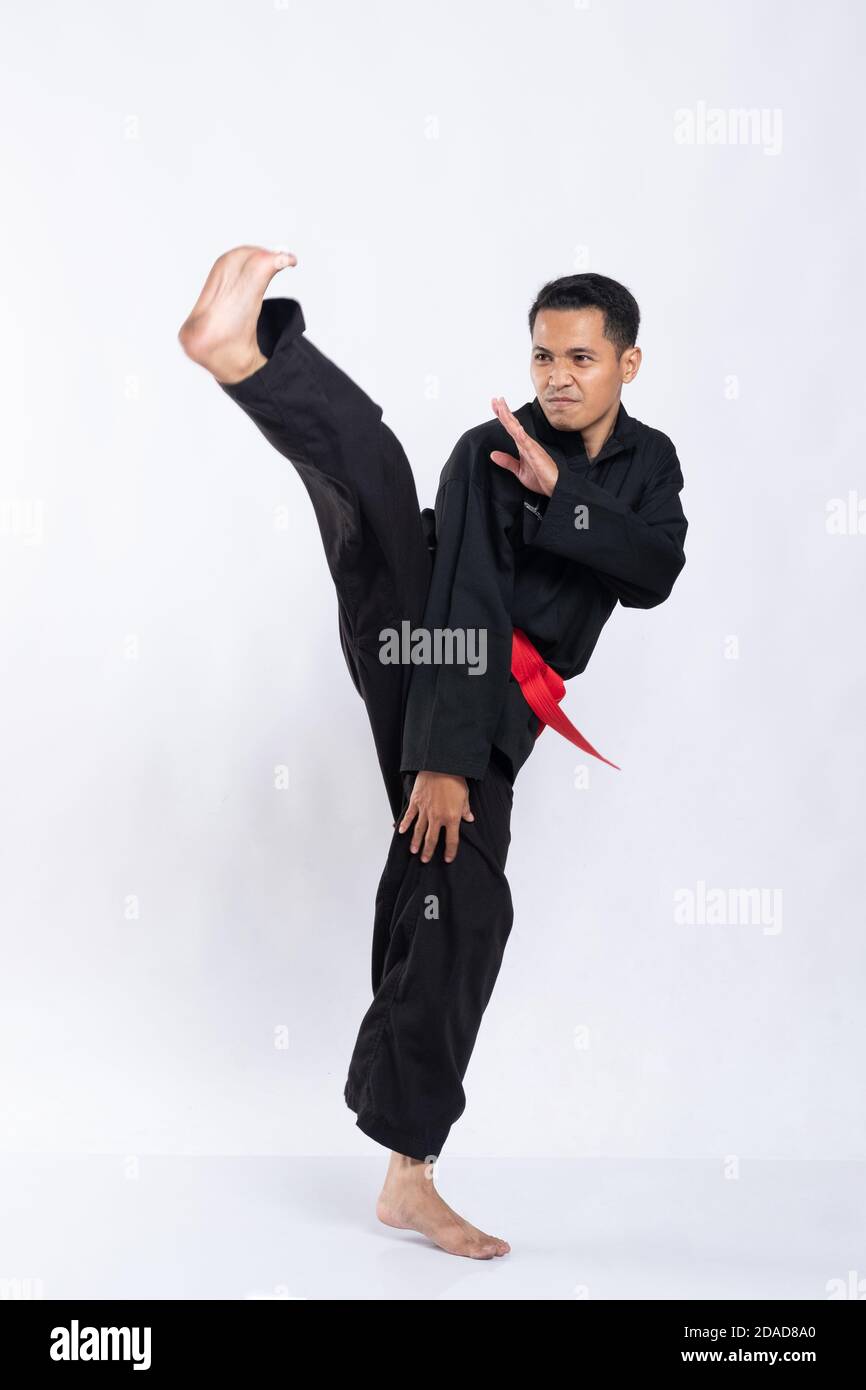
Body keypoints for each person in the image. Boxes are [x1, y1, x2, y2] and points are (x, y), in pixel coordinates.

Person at [177, 246, 688, 1259]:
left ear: (627, 365)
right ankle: (246, 355)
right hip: (423, 630)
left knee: (444, 887)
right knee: (377, 481)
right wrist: (444, 764)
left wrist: (560, 498)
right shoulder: (485, 449)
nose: (555, 376)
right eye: (542, 355)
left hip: (502, 686)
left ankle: (402, 1160)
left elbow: (653, 567)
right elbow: (467, 604)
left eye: (580, 358)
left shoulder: (649, 463)